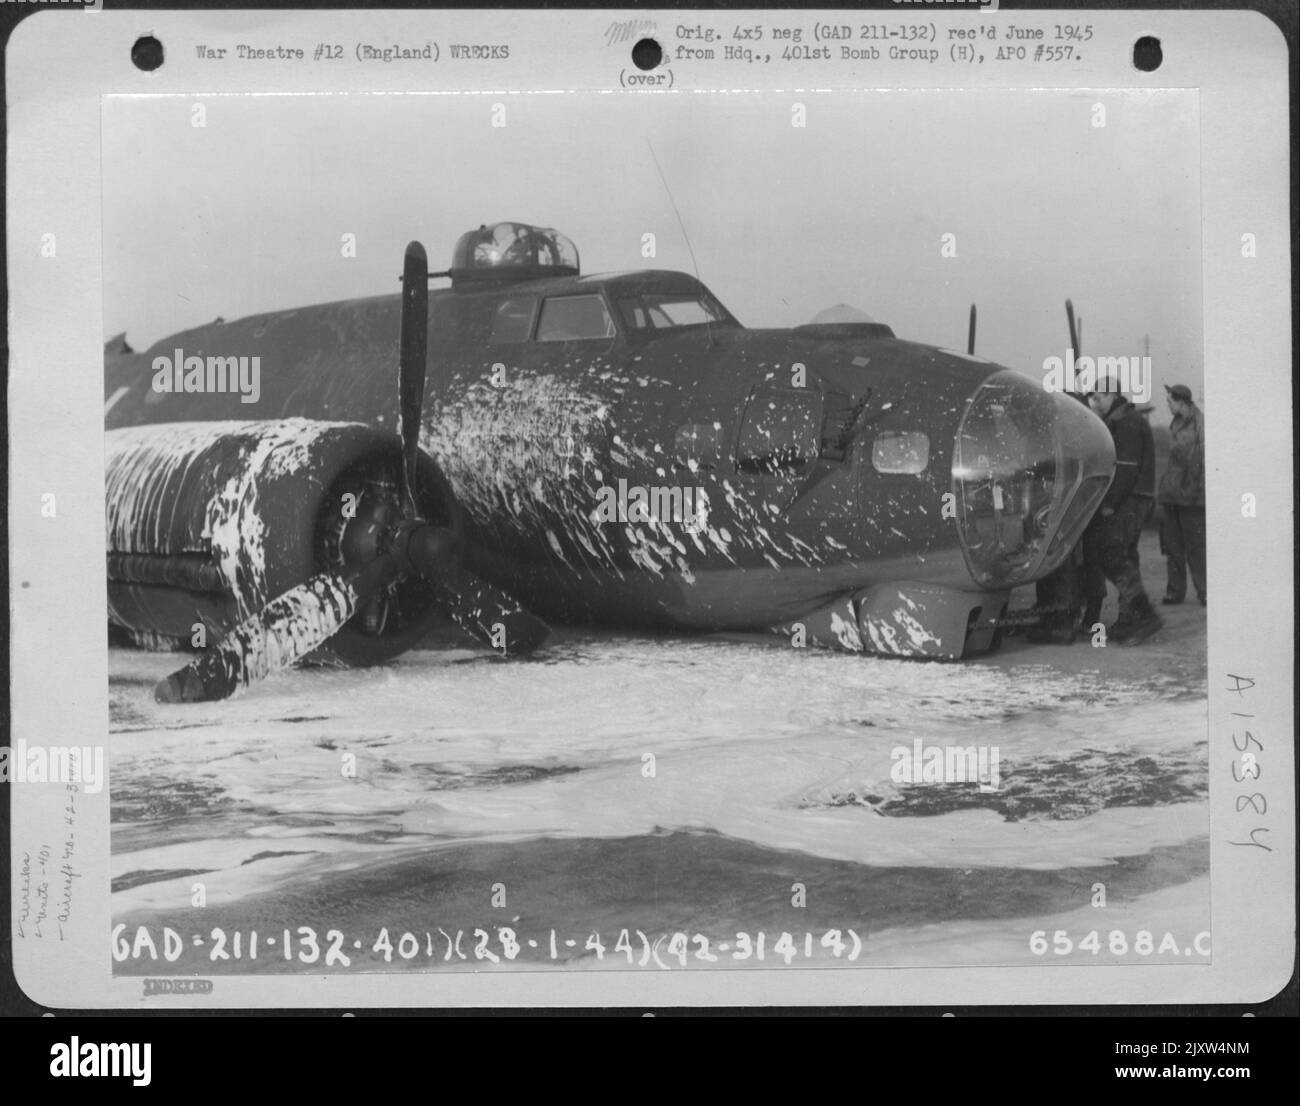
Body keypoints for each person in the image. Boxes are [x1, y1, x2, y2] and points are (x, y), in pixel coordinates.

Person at [1081, 377, 1162, 643]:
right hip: (1136, 497)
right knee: (1125, 554)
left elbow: (1126, 468)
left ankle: (1143, 613)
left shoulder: (1126, 422)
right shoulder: (1124, 420)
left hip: (1130, 499)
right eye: (1092, 397)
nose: (1094, 401)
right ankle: (1130, 619)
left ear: (1112, 395)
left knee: (1111, 551)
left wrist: (1109, 505)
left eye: (1098, 396)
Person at [1157, 383, 1206, 605]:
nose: (1167, 404)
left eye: (1170, 401)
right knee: (1173, 546)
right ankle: (1175, 591)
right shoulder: (1175, 422)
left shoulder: (1200, 423)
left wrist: (1200, 492)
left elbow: (1205, 460)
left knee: (1196, 547)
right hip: (1173, 494)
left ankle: (1205, 591)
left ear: (1182, 402)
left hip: (1192, 495)